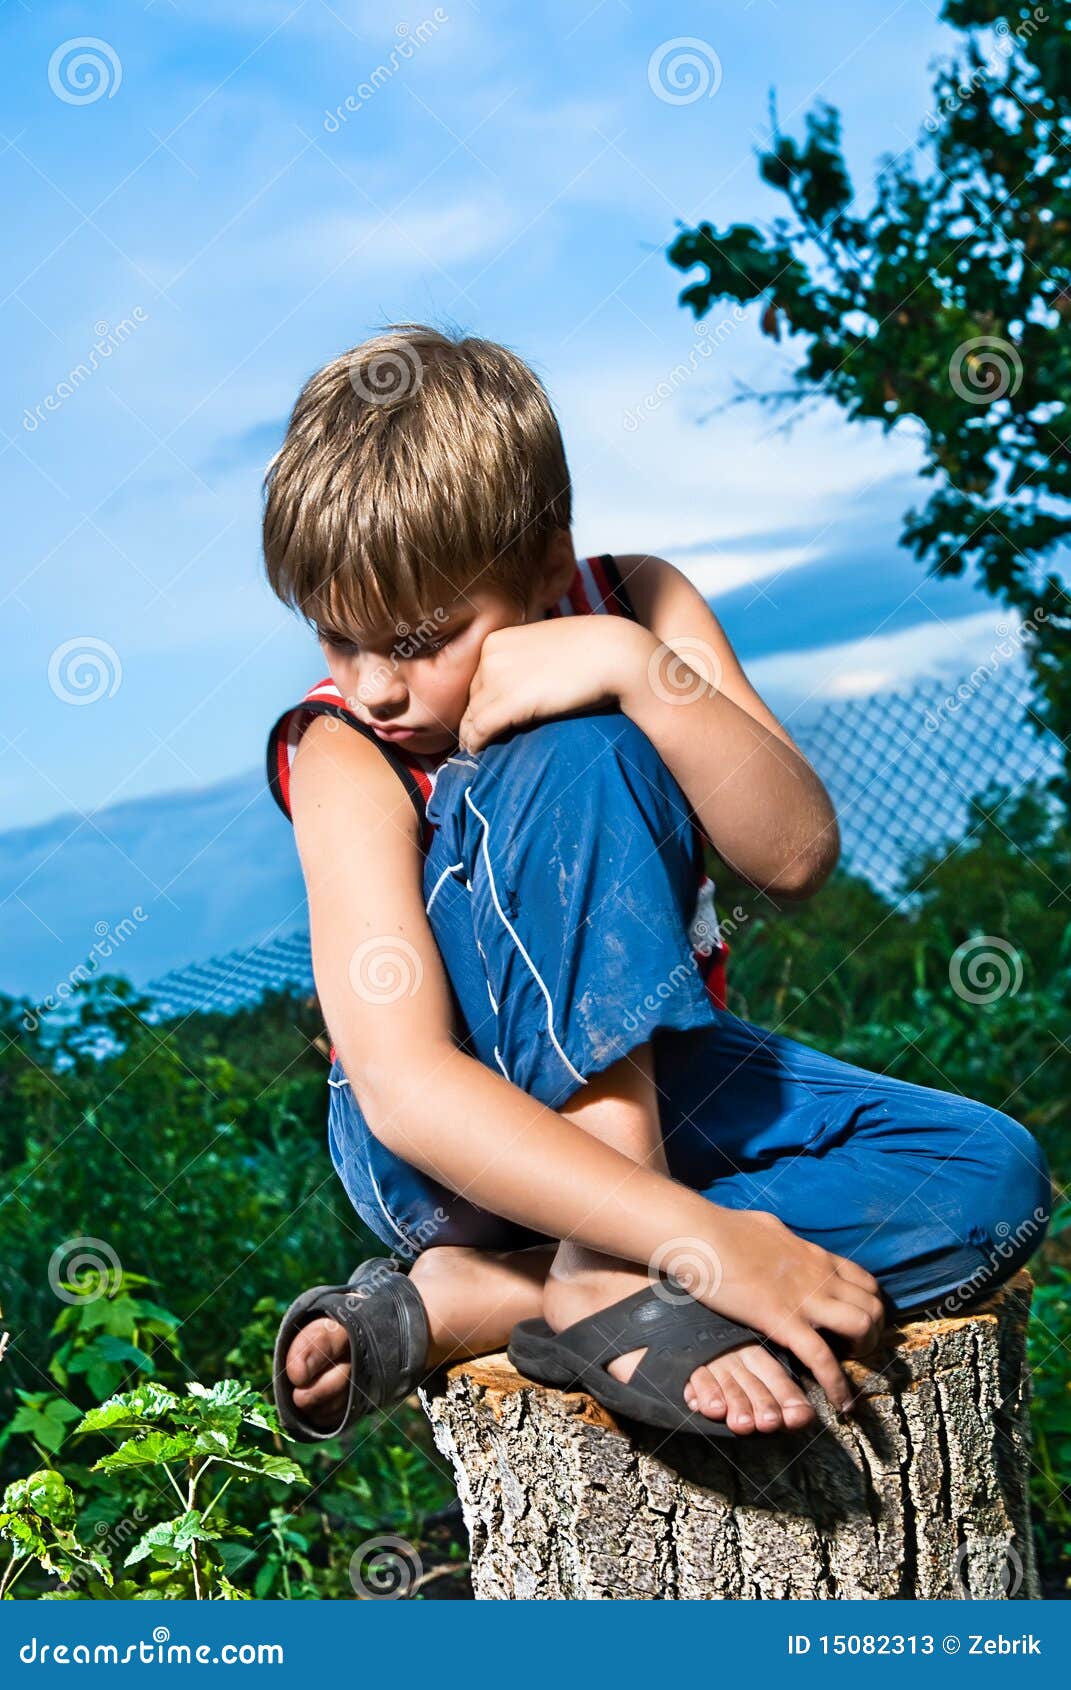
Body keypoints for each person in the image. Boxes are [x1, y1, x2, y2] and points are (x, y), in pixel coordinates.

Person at [262, 323, 1052, 1444]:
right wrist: (709, 1242)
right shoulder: (346, 746)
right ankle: (622, 1273)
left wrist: (635, 667)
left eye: (421, 637)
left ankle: (532, 1284)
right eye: (340, 638)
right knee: (579, 755)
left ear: (545, 563)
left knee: (984, 1178)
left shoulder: (636, 600)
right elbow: (403, 1086)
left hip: (670, 1084)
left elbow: (792, 853)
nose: (375, 684)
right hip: (445, 1143)